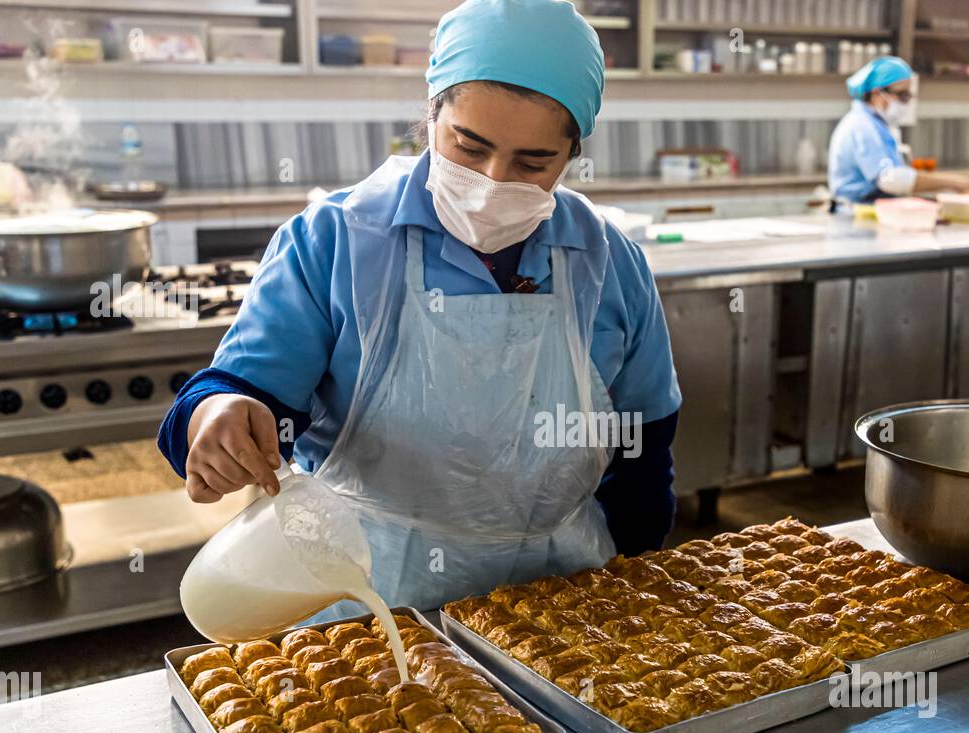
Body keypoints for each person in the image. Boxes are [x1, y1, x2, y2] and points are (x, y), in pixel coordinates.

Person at [158, 0, 682, 611]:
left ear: (572, 154)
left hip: (563, 598)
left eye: (533, 162)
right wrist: (217, 416)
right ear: (431, 114)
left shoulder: (607, 260)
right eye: (468, 145)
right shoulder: (338, 240)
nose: (492, 181)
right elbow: (237, 397)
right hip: (372, 602)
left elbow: (644, 445)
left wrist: (637, 589)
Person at [827, 55, 969, 204]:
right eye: (902, 95)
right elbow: (890, 179)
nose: (906, 102)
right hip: (857, 214)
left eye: (908, 95)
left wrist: (960, 181)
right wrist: (955, 183)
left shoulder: (876, 124)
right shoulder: (862, 126)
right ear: (877, 93)